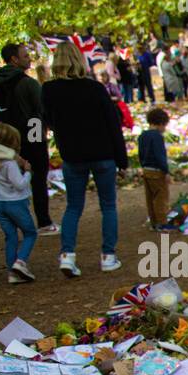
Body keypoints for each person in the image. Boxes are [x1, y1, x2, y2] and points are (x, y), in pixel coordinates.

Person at [41, 40, 128, 276]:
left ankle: (67, 255)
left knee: (73, 207)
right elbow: (113, 124)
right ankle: (108, 256)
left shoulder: (48, 90)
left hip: (72, 155)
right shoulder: (95, 88)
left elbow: (46, 121)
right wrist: (122, 160)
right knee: (108, 205)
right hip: (102, 153)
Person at [0, 42, 56, 234]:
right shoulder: (29, 83)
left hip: (3, 139)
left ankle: (16, 223)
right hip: (30, 136)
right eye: (25, 56)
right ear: (14, 59)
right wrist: (39, 139)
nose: (29, 59)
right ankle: (43, 222)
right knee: (38, 177)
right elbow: (39, 113)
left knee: (8, 181)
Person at [0, 122, 38, 284]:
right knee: (30, 233)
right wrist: (28, 172)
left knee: (10, 237)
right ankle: (20, 262)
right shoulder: (10, 164)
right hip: (16, 203)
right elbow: (20, 184)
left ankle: (12, 272)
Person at [138, 107, 174, 229]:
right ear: (161, 123)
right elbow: (160, 155)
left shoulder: (143, 135)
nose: (164, 129)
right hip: (157, 171)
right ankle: (162, 224)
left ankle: (154, 223)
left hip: (146, 170)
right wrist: (166, 171)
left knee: (150, 198)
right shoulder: (157, 137)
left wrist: (143, 166)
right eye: (165, 126)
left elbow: (140, 154)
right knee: (161, 198)